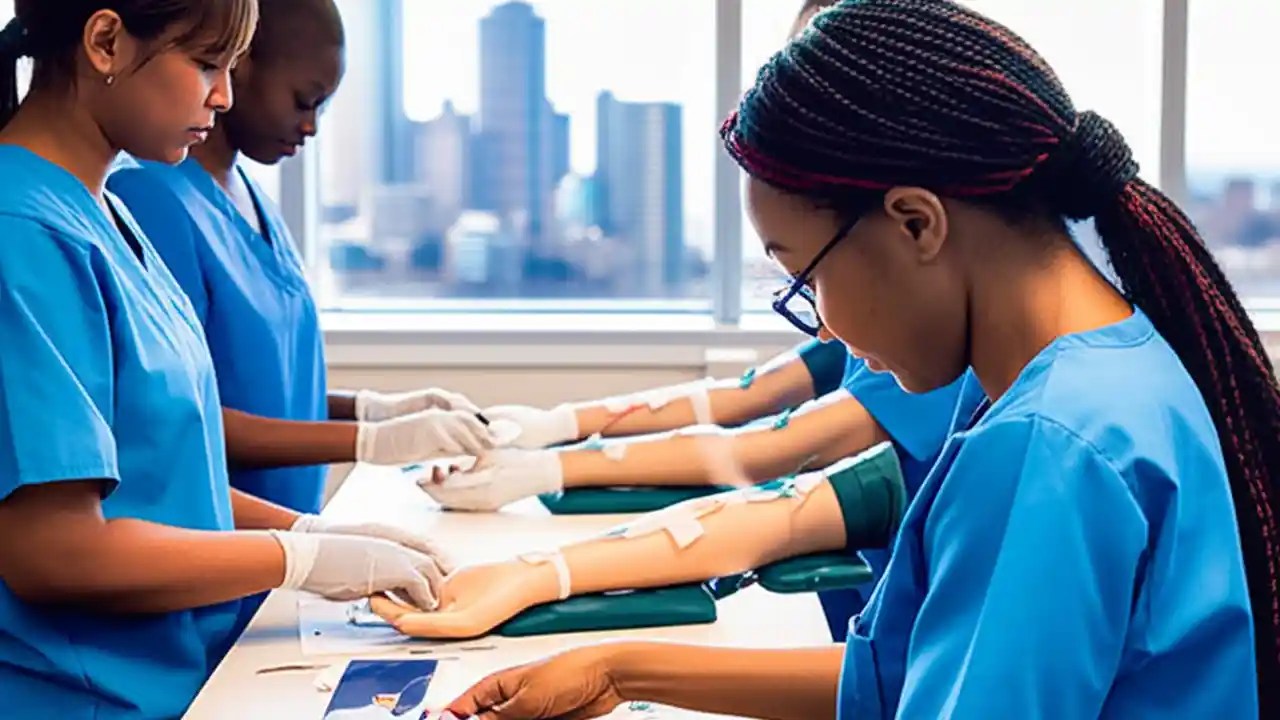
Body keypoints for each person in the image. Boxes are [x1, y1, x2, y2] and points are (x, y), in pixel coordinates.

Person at [439, 0, 1280, 717]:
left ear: (916, 222)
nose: (828, 331)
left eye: (803, 277)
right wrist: (619, 671)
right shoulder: (1100, 370)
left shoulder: (1048, 447)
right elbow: (911, 675)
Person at [0, 4, 451, 717]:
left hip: (181, 676)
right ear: (107, 42)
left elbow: (164, 480)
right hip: (83, 697)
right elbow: (55, 551)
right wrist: (294, 560)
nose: (224, 95)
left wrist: (309, 531)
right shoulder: (21, 231)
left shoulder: (106, 212)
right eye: (207, 64)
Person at [108, 0, 493, 520]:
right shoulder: (152, 198)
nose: (309, 126)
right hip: (220, 544)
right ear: (237, 64)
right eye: (301, 100)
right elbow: (183, 416)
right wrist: (371, 439)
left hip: (285, 548)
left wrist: (374, 408)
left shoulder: (250, 198)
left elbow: (271, 388)